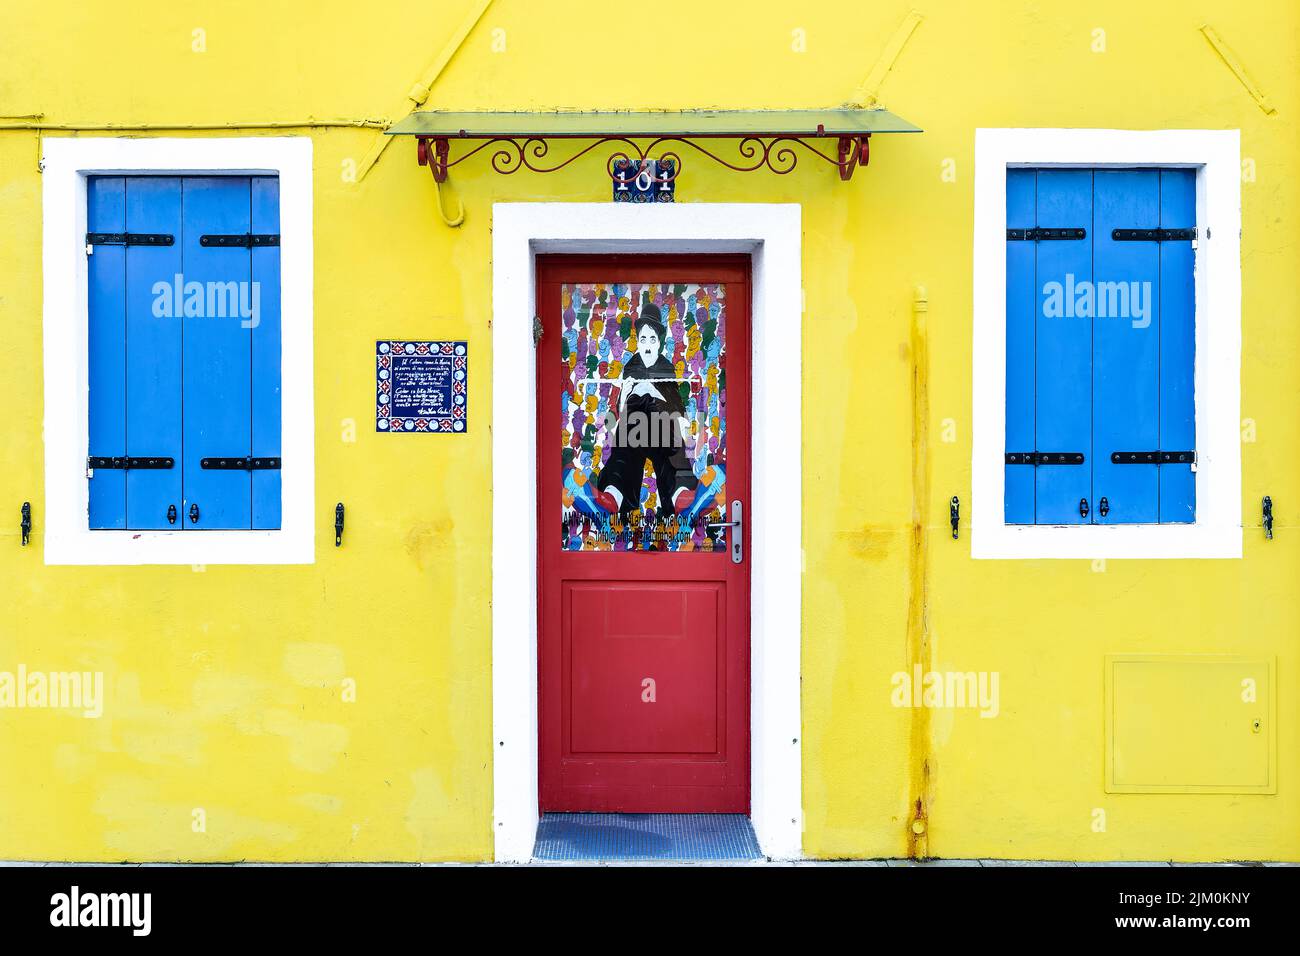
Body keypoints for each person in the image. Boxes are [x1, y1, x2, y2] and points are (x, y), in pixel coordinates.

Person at [593, 302, 698, 517]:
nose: (648, 345)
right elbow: (620, 410)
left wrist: (654, 391)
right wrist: (627, 393)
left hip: (661, 428)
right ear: (638, 342)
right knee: (624, 455)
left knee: (671, 453)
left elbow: (676, 408)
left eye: (652, 339)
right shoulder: (631, 366)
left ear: (659, 342)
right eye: (643, 339)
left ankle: (680, 496)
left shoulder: (666, 367)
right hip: (635, 426)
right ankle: (612, 496)